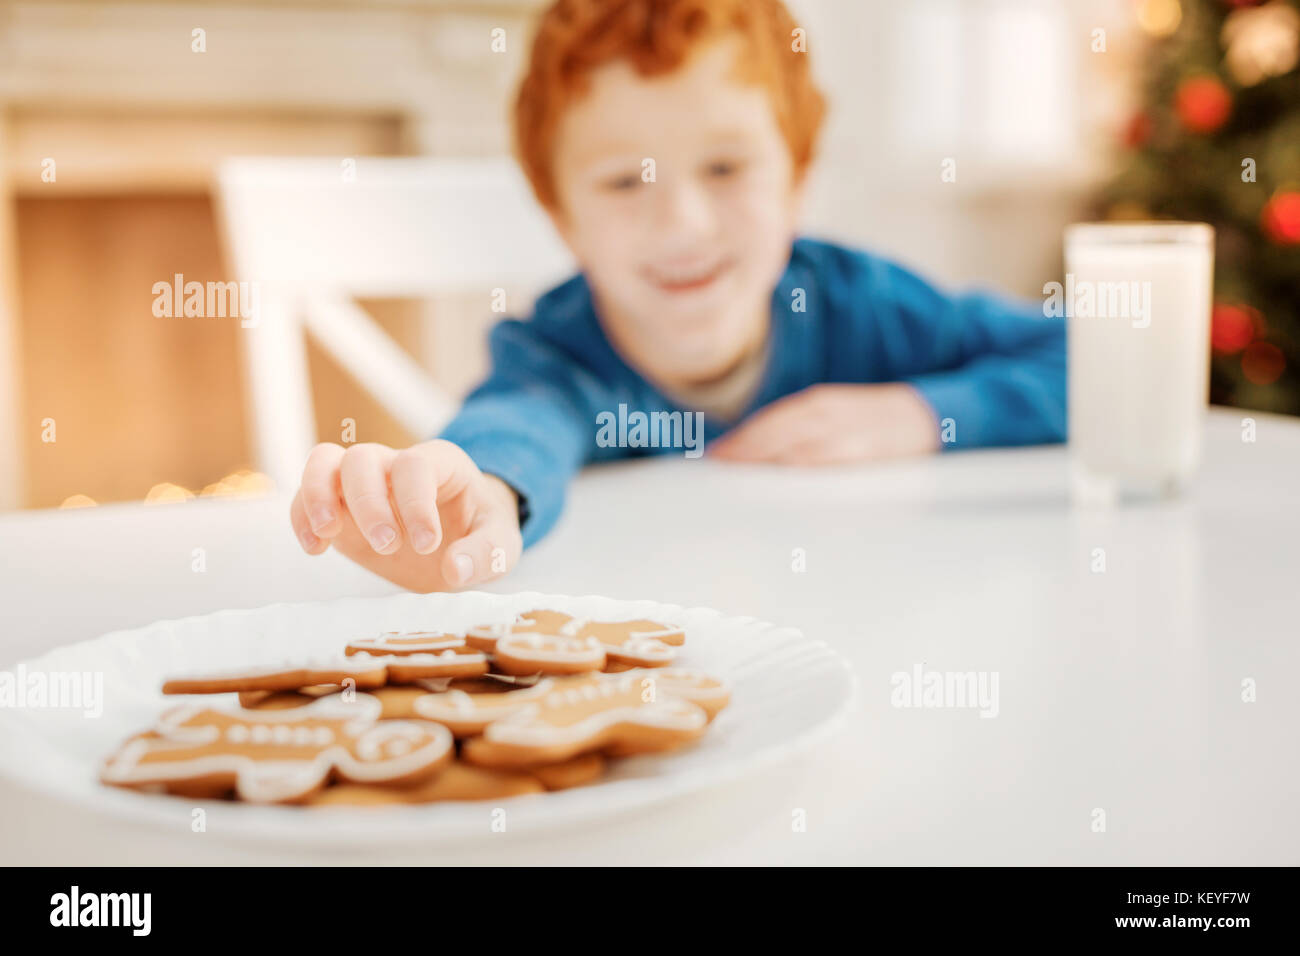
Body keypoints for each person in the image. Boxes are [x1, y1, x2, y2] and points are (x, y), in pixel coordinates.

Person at [289, 0, 1066, 592]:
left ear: (796, 179)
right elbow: (515, 429)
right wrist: (477, 499)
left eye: (726, 169)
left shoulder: (862, 307)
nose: (683, 224)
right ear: (562, 217)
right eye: (626, 182)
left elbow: (1079, 356)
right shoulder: (561, 355)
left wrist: (920, 414)